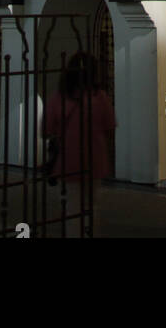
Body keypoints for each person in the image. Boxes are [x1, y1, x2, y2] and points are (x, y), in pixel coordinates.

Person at [43, 52, 116, 237]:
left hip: (69, 160)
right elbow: (110, 127)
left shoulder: (60, 98)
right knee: (91, 205)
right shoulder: (100, 97)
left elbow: (45, 129)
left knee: (72, 207)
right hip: (94, 158)